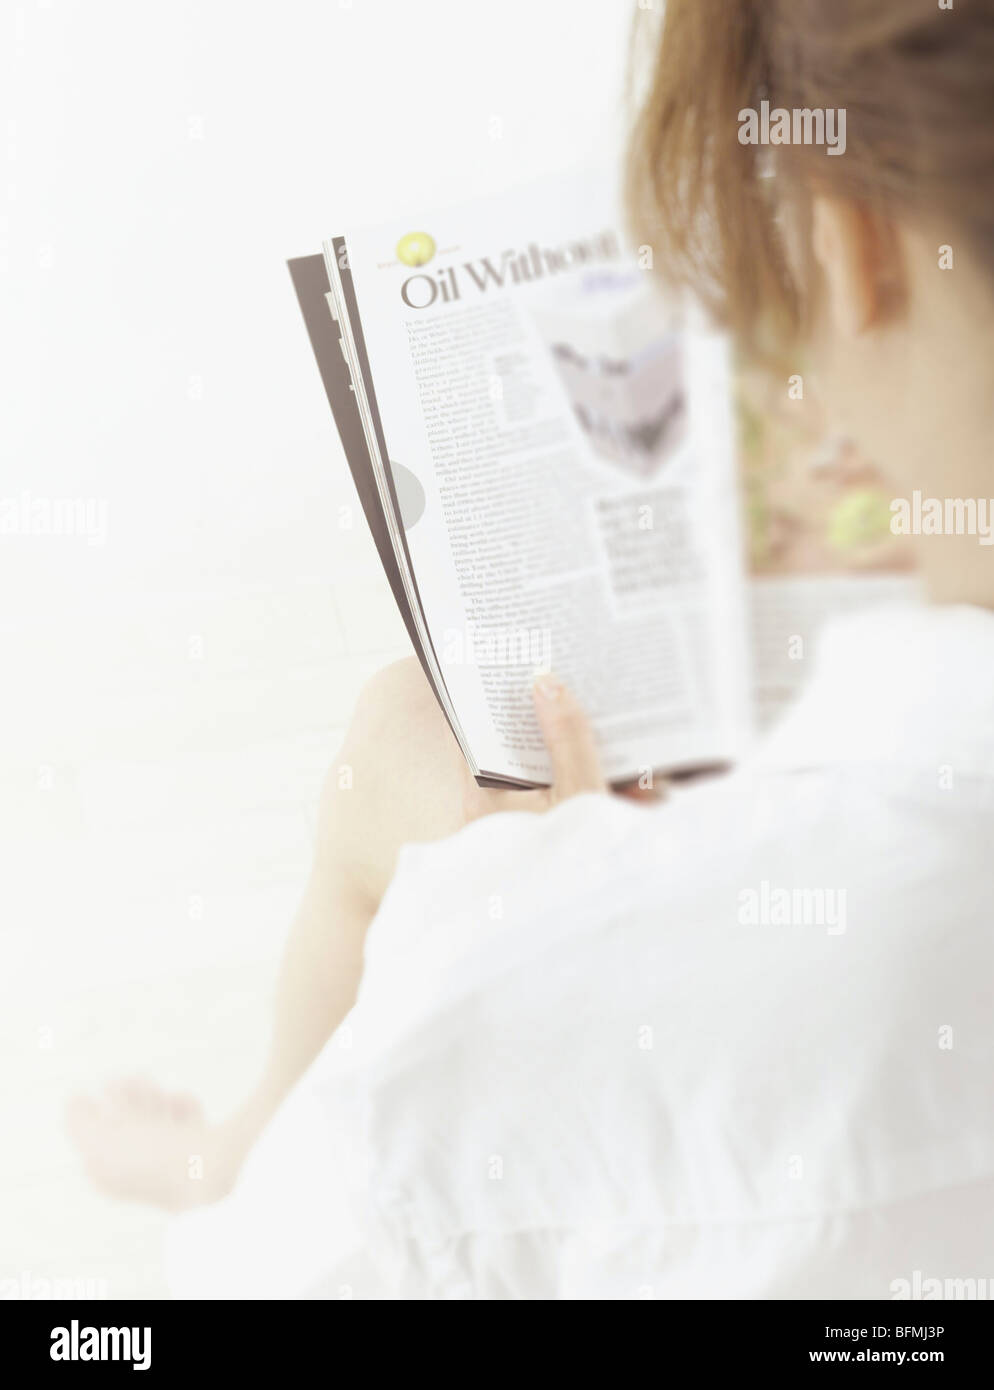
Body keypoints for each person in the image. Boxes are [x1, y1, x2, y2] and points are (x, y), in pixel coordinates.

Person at [69, 0, 994, 1297]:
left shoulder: (496, 1054)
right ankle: (244, 1134)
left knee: (405, 759)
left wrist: (510, 923)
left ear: (851, 248)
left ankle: (243, 1148)